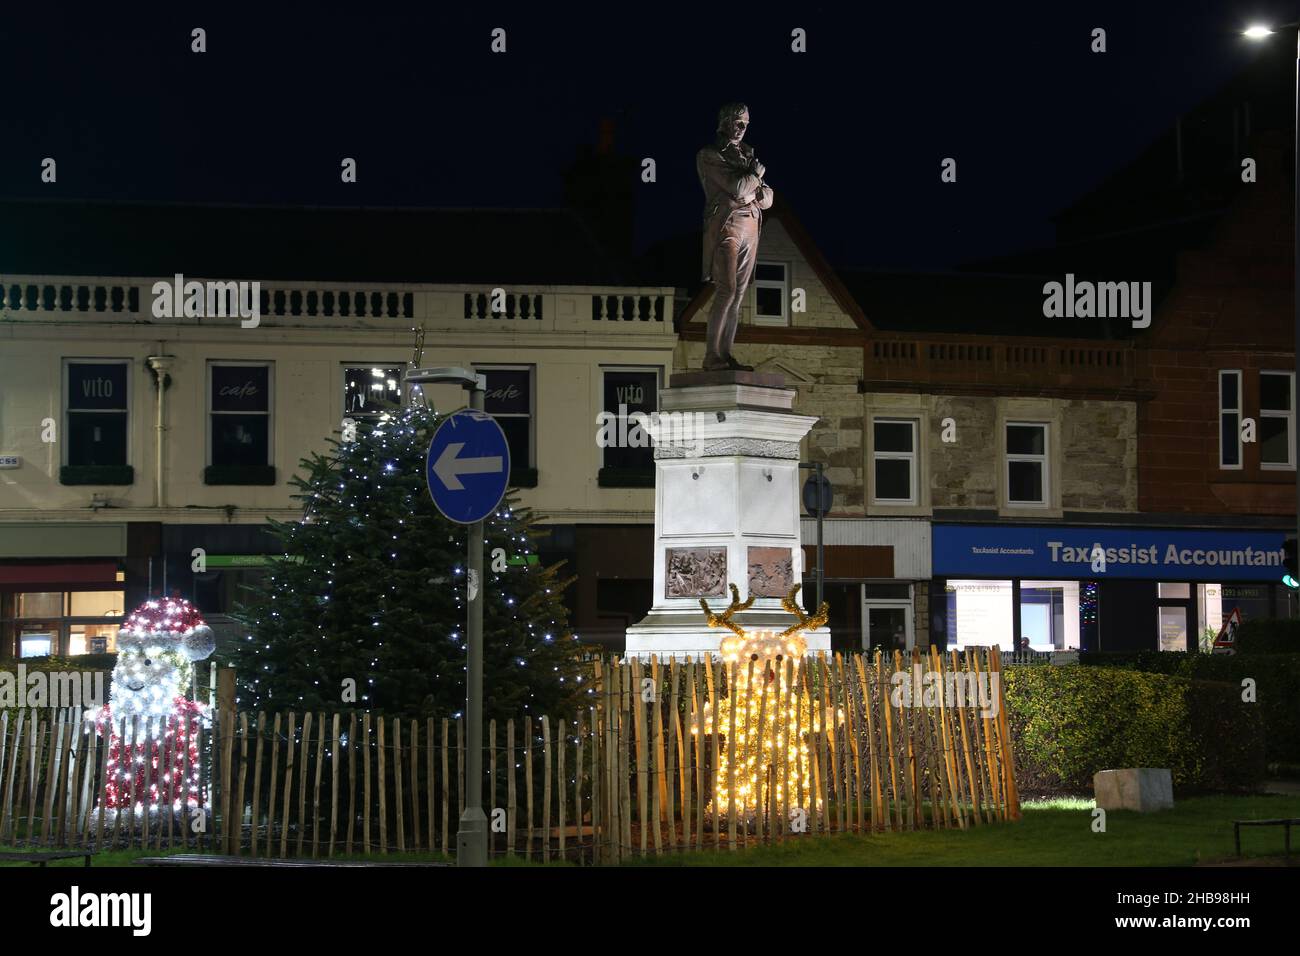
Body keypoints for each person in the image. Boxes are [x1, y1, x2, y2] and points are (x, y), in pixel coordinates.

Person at [696, 103, 774, 371]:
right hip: (726, 226)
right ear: (725, 122)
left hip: (751, 227)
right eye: (738, 122)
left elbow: (768, 198)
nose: (742, 128)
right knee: (726, 289)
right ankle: (711, 356)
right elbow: (738, 188)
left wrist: (753, 185)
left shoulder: (747, 155)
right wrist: (754, 176)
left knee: (739, 294)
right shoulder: (710, 154)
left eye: (746, 123)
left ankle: (725, 354)